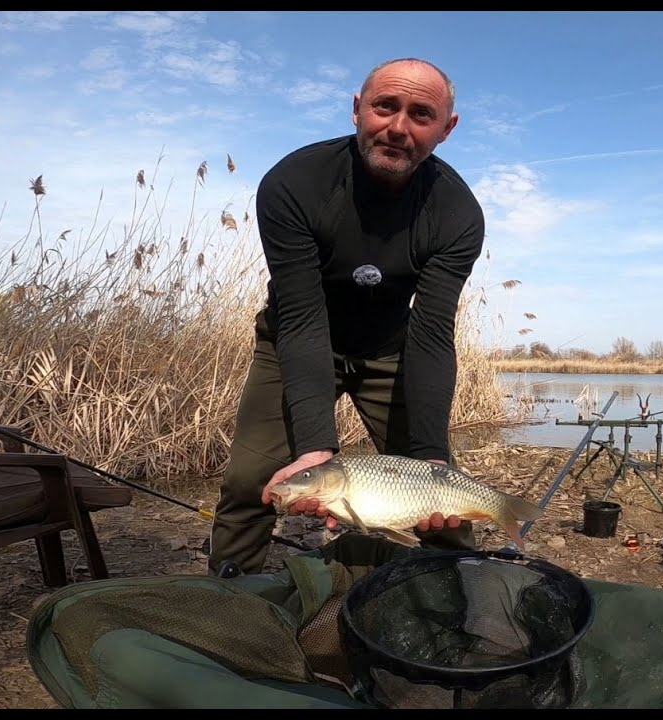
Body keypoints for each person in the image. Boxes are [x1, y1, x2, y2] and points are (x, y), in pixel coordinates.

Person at [205, 58, 487, 577]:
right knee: (251, 483)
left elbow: (431, 330)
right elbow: (302, 317)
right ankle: (231, 607)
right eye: (385, 106)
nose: (398, 128)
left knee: (441, 503)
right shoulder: (295, 183)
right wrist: (316, 448)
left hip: (393, 350)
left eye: (421, 115)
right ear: (358, 109)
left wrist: (431, 454)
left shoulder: (457, 212)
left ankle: (454, 604)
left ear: (446, 130)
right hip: (296, 336)